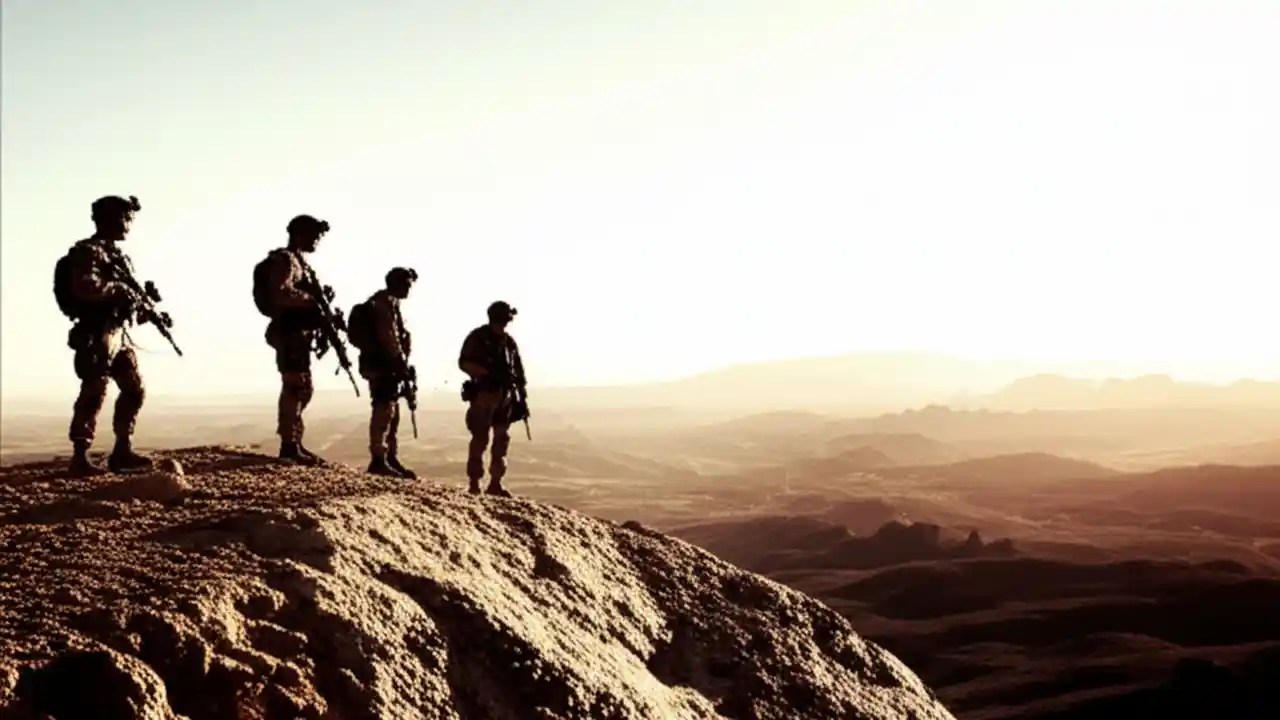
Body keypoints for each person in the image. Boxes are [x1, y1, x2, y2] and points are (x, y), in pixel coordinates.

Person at [59, 195, 155, 475]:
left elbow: (128, 296)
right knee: (94, 389)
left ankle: (122, 449)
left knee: (134, 388)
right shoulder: (88, 252)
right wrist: (116, 289)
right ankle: (80, 455)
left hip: (118, 331)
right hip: (96, 331)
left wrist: (144, 306)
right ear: (109, 219)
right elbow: (85, 287)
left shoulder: (118, 256)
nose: (128, 224)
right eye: (124, 217)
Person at [257, 214, 331, 464]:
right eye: (314, 235)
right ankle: (289, 444)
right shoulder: (287, 261)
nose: (317, 241)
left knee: (303, 387)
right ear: (300, 234)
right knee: (294, 385)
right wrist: (309, 301)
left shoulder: (300, 263)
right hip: (289, 331)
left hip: (299, 333)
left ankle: (295, 441)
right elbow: (281, 293)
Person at [457, 300, 527, 496]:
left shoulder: (508, 342)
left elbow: (518, 372)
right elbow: (464, 362)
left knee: (501, 438)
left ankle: (495, 483)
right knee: (480, 438)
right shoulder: (479, 338)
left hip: (504, 396)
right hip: (485, 394)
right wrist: (485, 374)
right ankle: (474, 482)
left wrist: (521, 397)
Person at [356, 267, 419, 478]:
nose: (409, 290)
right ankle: (379, 459)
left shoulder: (390, 303)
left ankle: (389, 457)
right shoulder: (383, 305)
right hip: (382, 365)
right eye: (407, 285)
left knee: (391, 411)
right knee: (383, 409)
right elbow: (389, 338)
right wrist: (399, 362)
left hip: (385, 365)